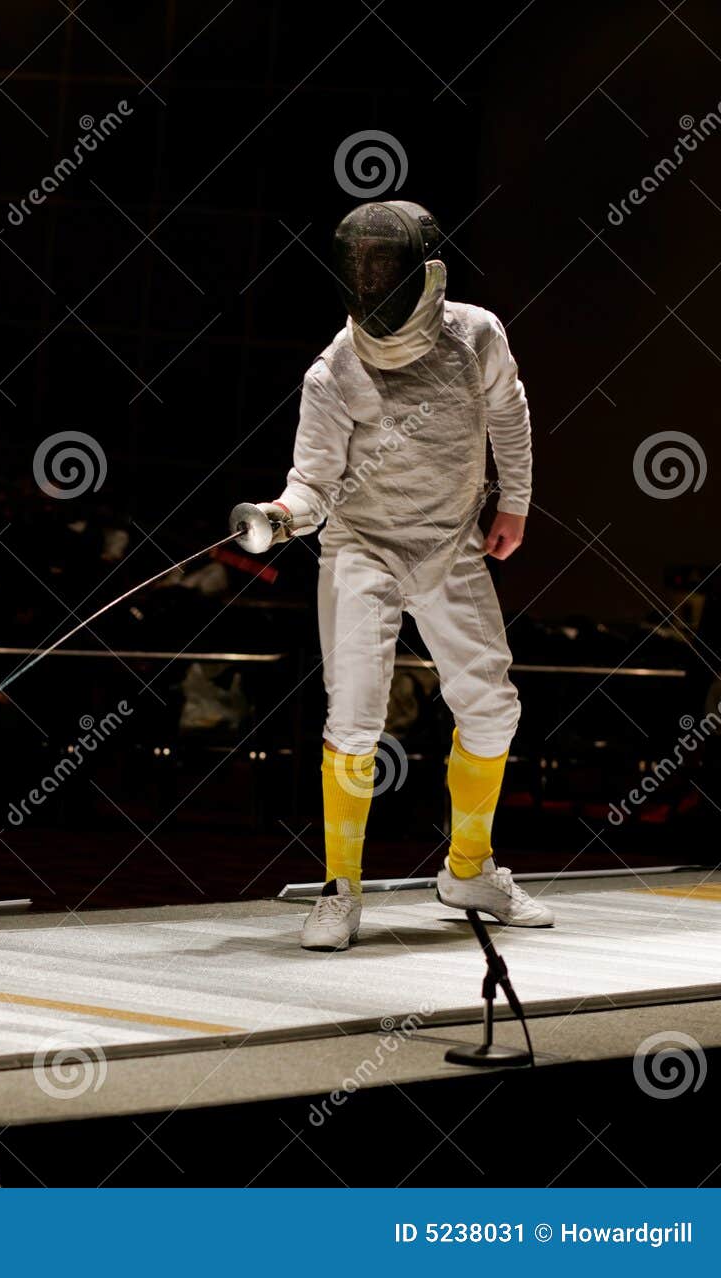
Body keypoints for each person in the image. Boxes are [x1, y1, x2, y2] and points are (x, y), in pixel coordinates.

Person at [233, 199, 552, 951]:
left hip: (449, 544)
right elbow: (311, 486)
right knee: (356, 719)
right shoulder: (333, 372)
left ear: (426, 275)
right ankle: (341, 890)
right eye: (363, 272)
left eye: (387, 269)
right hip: (362, 549)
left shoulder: (477, 336)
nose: (374, 283)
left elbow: (510, 412)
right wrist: (279, 516)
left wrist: (518, 501)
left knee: (492, 708)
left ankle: (468, 870)